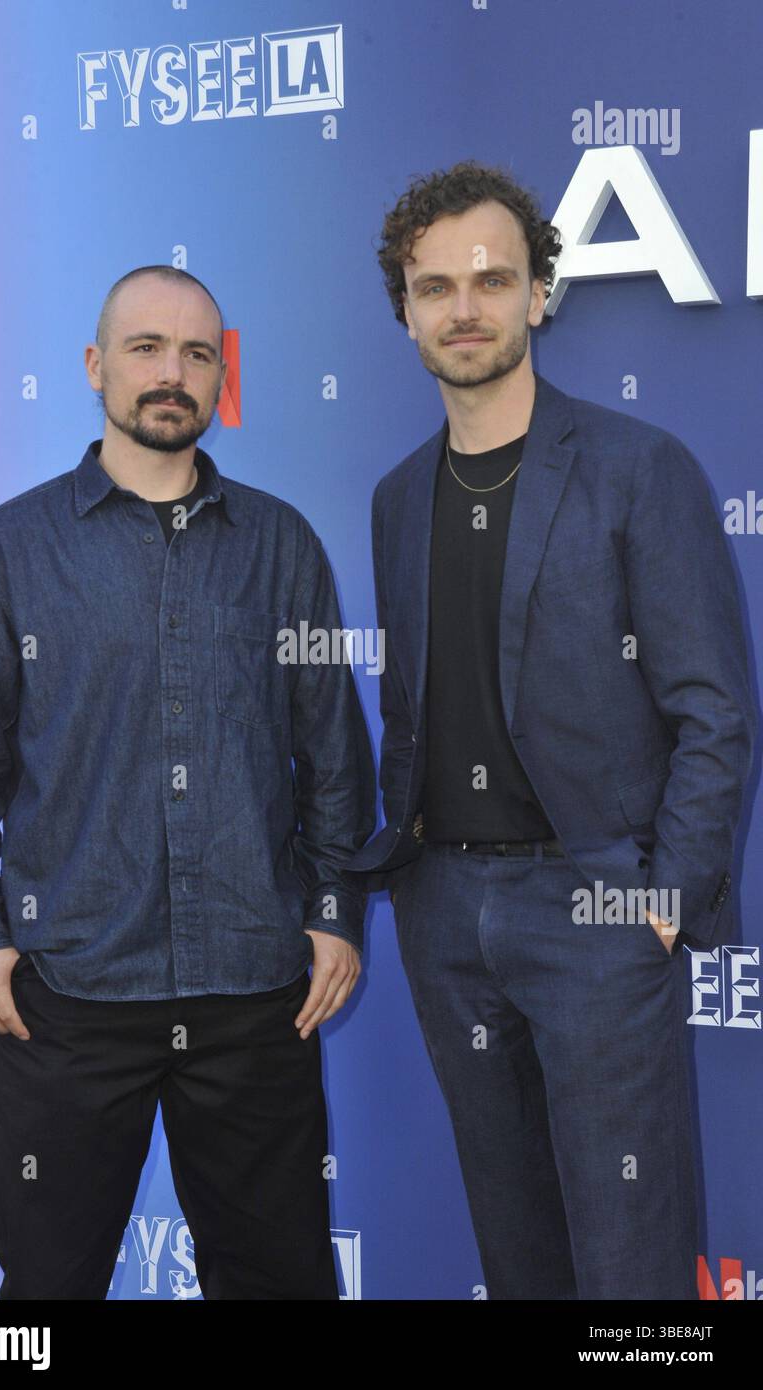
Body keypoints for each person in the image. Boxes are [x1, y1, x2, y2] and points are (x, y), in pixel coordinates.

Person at [0, 264, 375, 1300]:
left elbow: (334, 753)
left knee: (281, 1283)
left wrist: (336, 906)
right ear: (95, 366)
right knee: (44, 1287)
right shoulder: (6, 555)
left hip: (255, 994)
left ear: (220, 377)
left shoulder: (283, 547)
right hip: (67, 996)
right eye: (147, 349)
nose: (173, 373)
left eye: (198, 353)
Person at [345, 161, 757, 1300]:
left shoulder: (638, 470)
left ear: (538, 294)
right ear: (407, 312)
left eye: (490, 279)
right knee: (517, 1253)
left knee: (631, 1265)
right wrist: (415, 882)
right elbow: (411, 705)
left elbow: (714, 708)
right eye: (434, 287)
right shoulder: (397, 497)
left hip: (598, 917)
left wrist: (662, 903)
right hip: (446, 919)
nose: (463, 307)